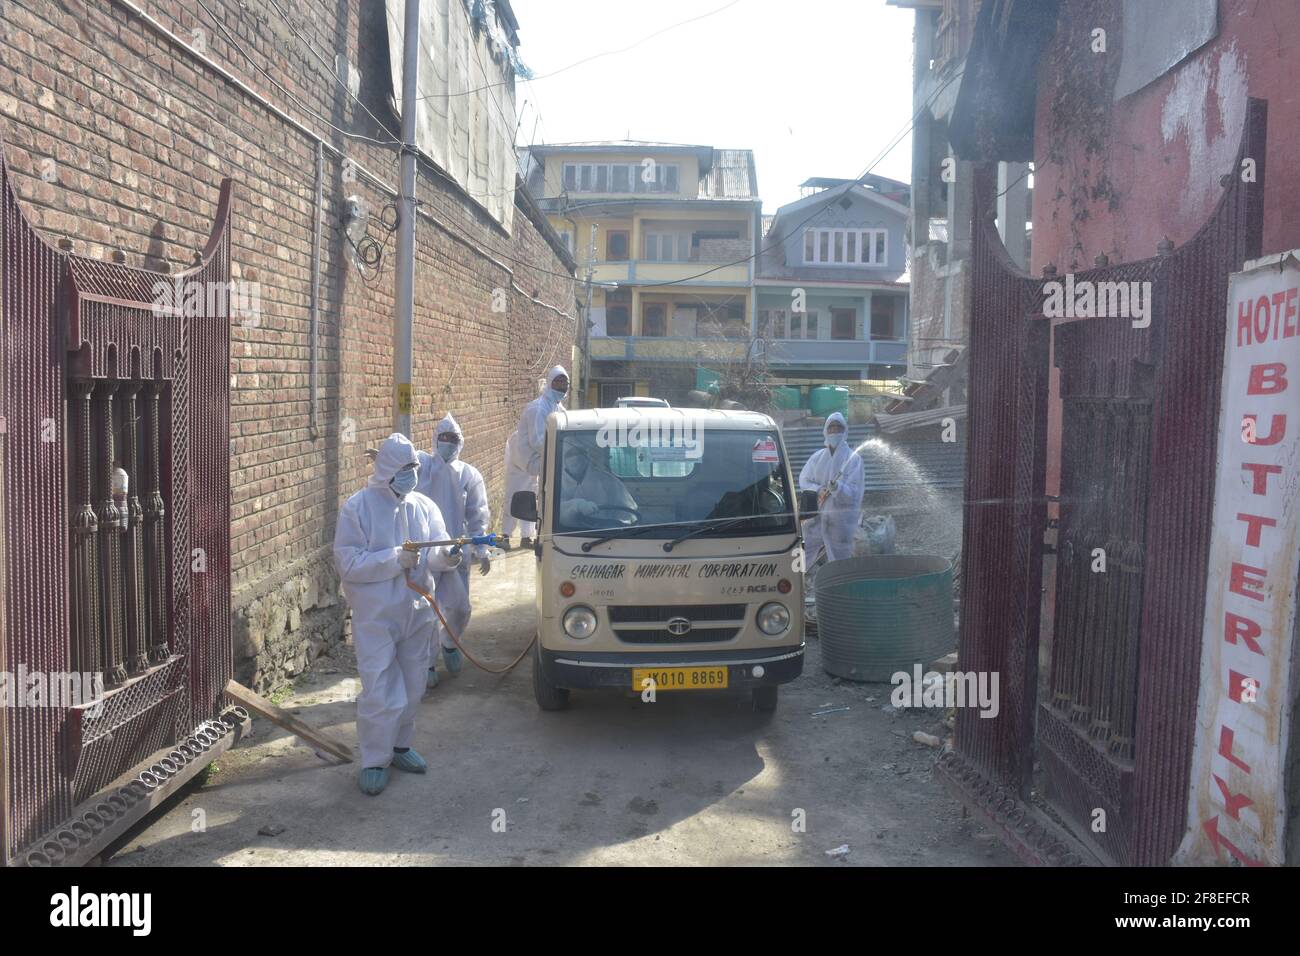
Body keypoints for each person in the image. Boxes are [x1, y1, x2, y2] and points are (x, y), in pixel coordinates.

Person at [333, 433, 461, 796]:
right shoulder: (357, 508)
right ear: (388, 468)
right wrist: (395, 559)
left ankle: (401, 746)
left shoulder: (423, 506)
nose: (412, 474)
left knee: (414, 682)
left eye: (415, 467)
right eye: (405, 468)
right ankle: (375, 758)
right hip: (377, 616)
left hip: (418, 612)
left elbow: (436, 548)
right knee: (380, 687)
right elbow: (348, 563)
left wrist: (448, 555)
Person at [416, 412, 491, 689]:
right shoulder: (422, 465)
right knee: (426, 611)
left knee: (459, 608)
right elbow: (402, 460)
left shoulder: (469, 475)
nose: (447, 443)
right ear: (435, 439)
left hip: (456, 552)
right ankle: (426, 663)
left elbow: (478, 514)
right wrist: (386, 461)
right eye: (443, 438)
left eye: (453, 439)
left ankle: (450, 642)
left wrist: (481, 549)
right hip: (425, 552)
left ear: (460, 442)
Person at [501, 365, 568, 549]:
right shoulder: (538, 408)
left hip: (539, 458)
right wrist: (560, 453)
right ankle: (505, 535)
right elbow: (538, 440)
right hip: (521, 455)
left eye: (565, 382)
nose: (562, 386)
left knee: (533, 494)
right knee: (514, 494)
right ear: (550, 383)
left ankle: (526, 537)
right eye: (558, 381)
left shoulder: (558, 407)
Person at [798, 412, 863, 565]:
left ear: (845, 431)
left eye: (838, 428)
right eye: (831, 427)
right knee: (802, 552)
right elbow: (804, 480)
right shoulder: (817, 457)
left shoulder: (854, 459)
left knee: (839, 558)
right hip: (816, 518)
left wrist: (838, 488)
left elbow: (854, 493)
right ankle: (796, 583)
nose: (834, 431)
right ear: (825, 431)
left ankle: (839, 586)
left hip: (841, 521)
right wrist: (818, 489)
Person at [557, 439, 637, 525]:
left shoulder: (608, 481)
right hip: (568, 535)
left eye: (580, 452)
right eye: (570, 454)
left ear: (587, 456)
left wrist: (615, 525)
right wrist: (577, 506)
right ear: (563, 458)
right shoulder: (557, 482)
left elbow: (628, 513)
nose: (576, 457)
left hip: (606, 534)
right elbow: (554, 512)